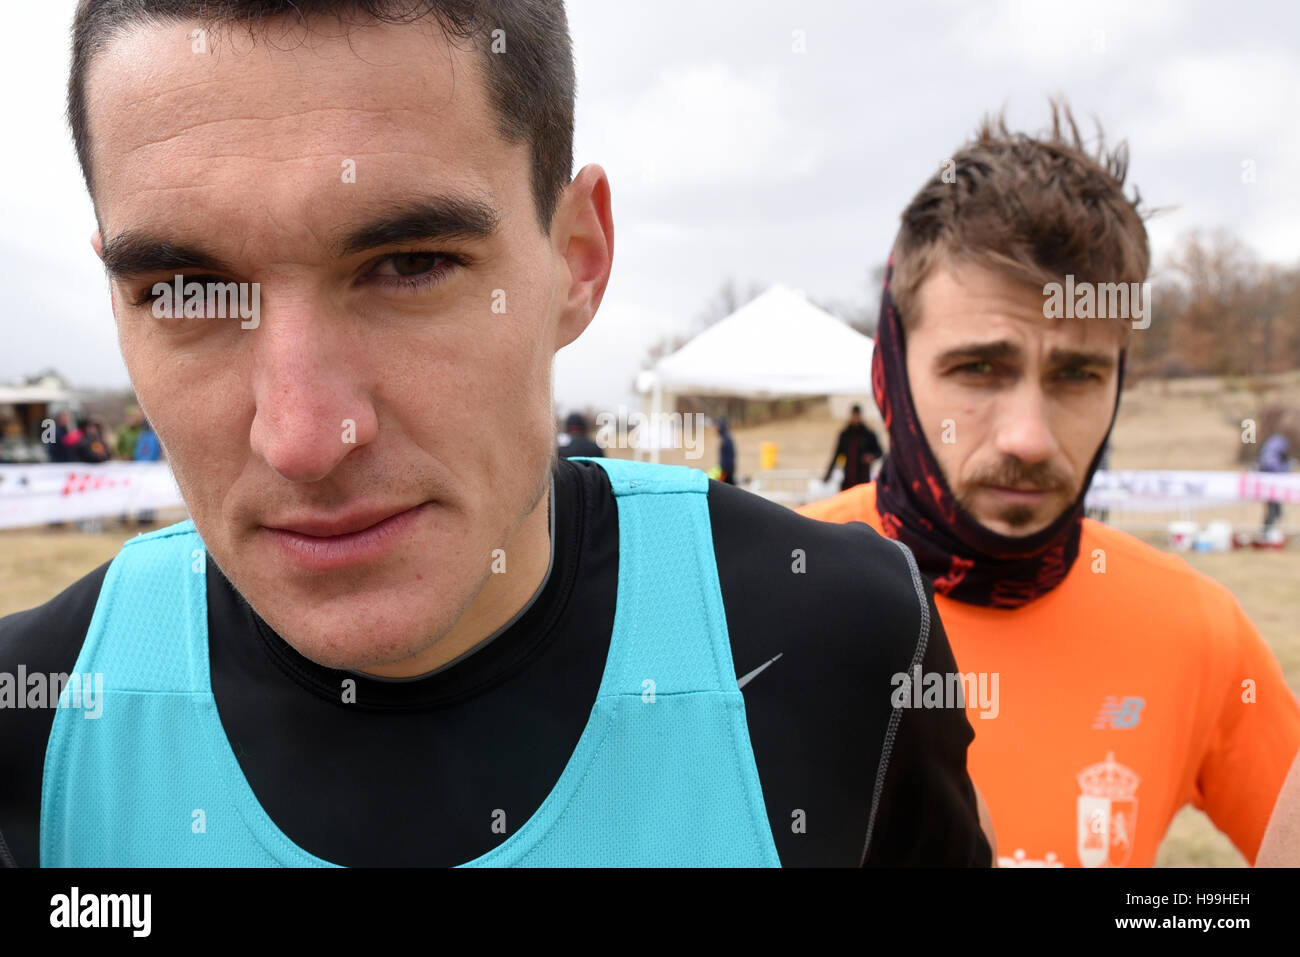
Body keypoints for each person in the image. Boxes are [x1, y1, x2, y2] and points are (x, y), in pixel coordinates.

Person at [0, 0, 990, 868]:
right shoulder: (30, 720)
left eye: (409, 264)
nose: (302, 438)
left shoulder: (838, 644)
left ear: (577, 258)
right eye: (184, 291)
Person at [799, 103, 1300, 867]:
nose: (1028, 436)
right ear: (891, 370)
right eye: (979, 367)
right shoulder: (765, 599)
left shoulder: (1199, 629)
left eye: (1077, 374)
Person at [824, 404, 883, 491]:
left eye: (857, 415)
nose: (855, 418)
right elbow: (837, 455)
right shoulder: (845, 434)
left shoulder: (868, 434)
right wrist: (828, 475)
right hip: (848, 478)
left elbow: (880, 452)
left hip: (863, 478)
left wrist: (871, 456)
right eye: (853, 415)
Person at [1258, 428, 1290, 536]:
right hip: (1272, 489)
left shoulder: (1268, 450)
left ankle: (1270, 532)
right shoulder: (1273, 455)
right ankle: (1268, 533)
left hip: (1271, 489)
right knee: (1274, 511)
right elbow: (1276, 468)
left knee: (1274, 511)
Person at [716, 415, 736, 485]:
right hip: (726, 470)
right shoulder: (725, 438)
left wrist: (724, 470)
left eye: (717, 426)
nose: (716, 428)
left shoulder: (726, 439)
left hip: (726, 470)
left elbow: (729, 457)